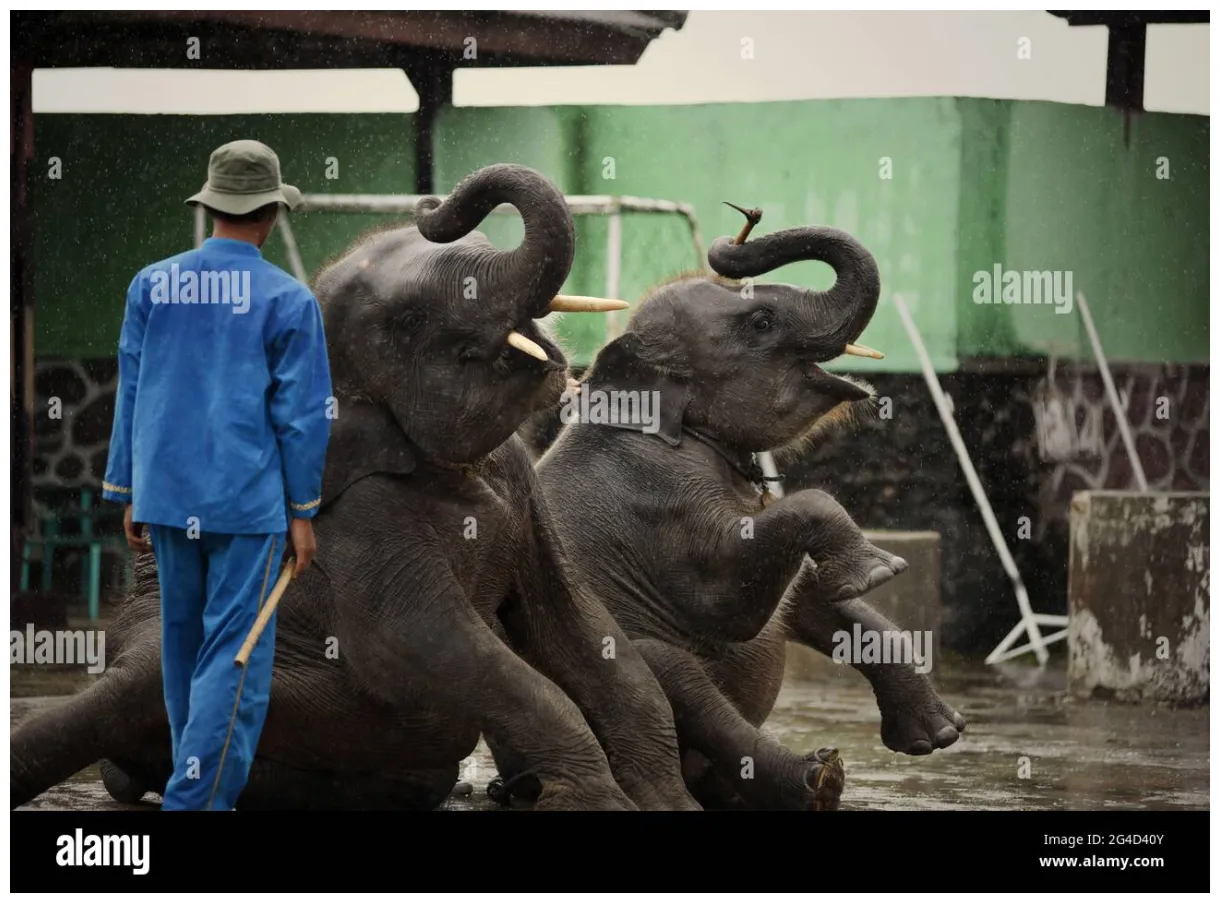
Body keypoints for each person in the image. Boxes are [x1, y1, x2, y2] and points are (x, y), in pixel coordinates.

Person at [102, 139, 333, 811]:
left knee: (184, 652)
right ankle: (197, 802)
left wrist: (129, 488)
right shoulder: (289, 300)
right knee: (235, 658)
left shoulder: (151, 283)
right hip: (246, 507)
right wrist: (303, 510)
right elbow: (303, 416)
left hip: (169, 501)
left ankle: (191, 784)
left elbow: (132, 388)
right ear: (270, 215)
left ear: (211, 210)